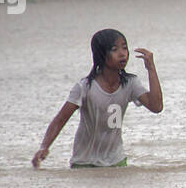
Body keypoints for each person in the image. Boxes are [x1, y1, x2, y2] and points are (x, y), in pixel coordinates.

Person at [32, 28, 163, 167]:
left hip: (117, 162)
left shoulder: (130, 83)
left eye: (124, 48)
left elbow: (156, 106)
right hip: (84, 163)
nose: (122, 54)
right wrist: (44, 147)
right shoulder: (84, 87)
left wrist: (151, 69)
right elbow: (60, 120)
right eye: (114, 49)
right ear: (101, 55)